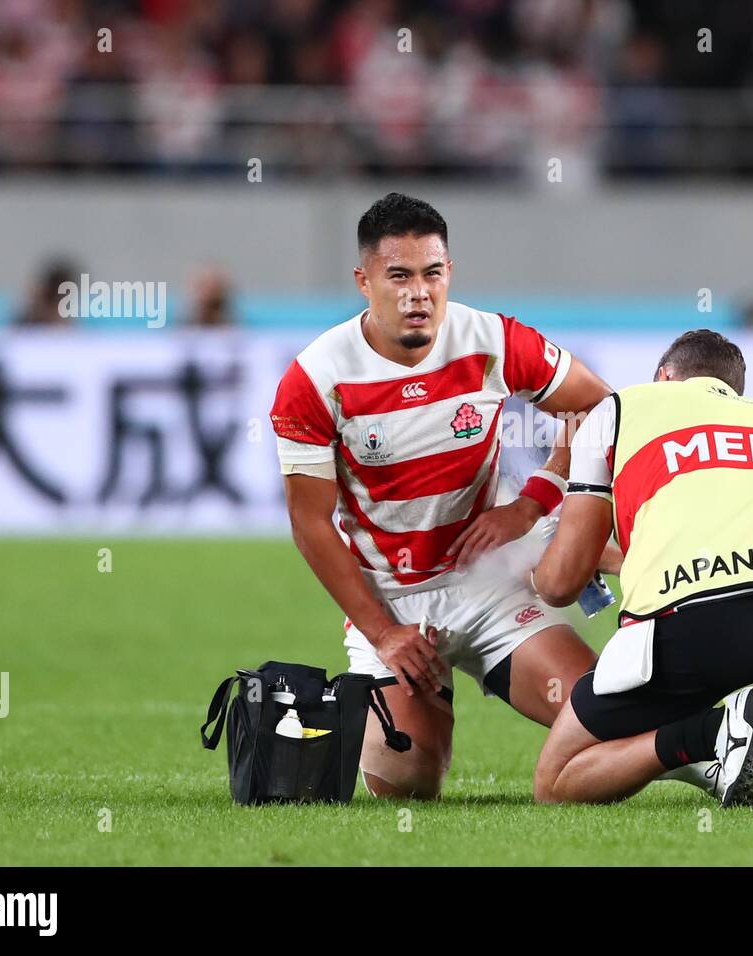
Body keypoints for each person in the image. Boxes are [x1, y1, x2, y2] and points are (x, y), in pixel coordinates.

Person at [270, 192, 610, 799]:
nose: (417, 292)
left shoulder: (492, 339)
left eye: (432, 273)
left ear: (448, 273)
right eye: (397, 275)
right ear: (363, 280)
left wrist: (534, 500)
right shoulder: (316, 379)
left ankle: (730, 760)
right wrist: (382, 633)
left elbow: (598, 407)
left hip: (489, 583)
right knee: (407, 785)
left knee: (603, 714)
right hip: (393, 601)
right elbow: (311, 526)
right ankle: (387, 704)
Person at [531, 329, 753, 807]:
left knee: (557, 782)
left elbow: (561, 584)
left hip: (697, 630)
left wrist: (534, 566)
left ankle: (711, 734)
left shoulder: (617, 410)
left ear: (665, 375)